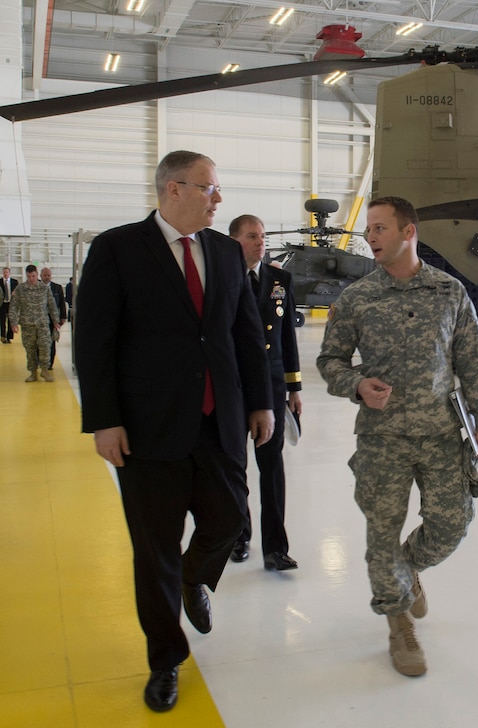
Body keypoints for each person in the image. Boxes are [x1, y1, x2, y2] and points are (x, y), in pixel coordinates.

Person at [74, 150, 274, 713]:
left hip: (220, 420)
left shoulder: (226, 253)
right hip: (147, 429)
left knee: (231, 518)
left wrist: (260, 403)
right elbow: (95, 341)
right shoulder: (117, 249)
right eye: (210, 189)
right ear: (173, 190)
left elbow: (244, 333)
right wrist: (104, 420)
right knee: (154, 550)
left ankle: (195, 579)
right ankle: (166, 661)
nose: (218, 199)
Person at [316, 196, 478, 677]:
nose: (370, 237)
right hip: (383, 438)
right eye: (369, 229)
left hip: (441, 434)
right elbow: (328, 361)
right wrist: (355, 384)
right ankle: (398, 624)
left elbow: (473, 360)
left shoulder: (448, 292)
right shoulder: (357, 298)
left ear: (408, 232)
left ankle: (406, 569)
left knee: (451, 525)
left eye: (379, 228)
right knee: (381, 534)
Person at [228, 214, 302, 571]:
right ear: (234, 240)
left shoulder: (280, 280)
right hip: (234, 387)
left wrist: (294, 388)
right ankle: (240, 537)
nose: (260, 242)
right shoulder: (222, 278)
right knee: (235, 466)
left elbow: (287, 337)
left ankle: (276, 548)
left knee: (272, 467)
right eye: (251, 236)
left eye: (262, 236)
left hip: (271, 389)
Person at [9, 264, 60, 382]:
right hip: (27, 325)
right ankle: (33, 373)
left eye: (33, 276)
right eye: (29, 276)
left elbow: (52, 305)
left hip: (42, 324)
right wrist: (13, 323)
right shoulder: (20, 289)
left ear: (37, 275)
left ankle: (45, 371)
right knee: (30, 349)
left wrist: (56, 321)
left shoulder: (44, 288)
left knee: (45, 347)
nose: (31, 279)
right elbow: (14, 306)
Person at [40, 267, 68, 370]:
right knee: (40, 341)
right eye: (45, 275)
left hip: (53, 319)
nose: (47, 277)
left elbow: (61, 302)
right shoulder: (36, 287)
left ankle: (50, 364)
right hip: (40, 320)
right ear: (41, 276)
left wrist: (63, 317)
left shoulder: (57, 287)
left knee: (52, 341)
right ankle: (41, 361)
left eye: (48, 275)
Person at [1, 266, 17, 343]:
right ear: (2, 273)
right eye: (4, 272)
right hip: (2, 304)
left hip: (11, 303)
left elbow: (18, 292)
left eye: (7, 272)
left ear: (9, 273)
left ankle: (9, 337)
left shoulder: (15, 282)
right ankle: (3, 336)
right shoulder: (0, 282)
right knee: (2, 320)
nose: (6, 274)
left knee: (11, 320)